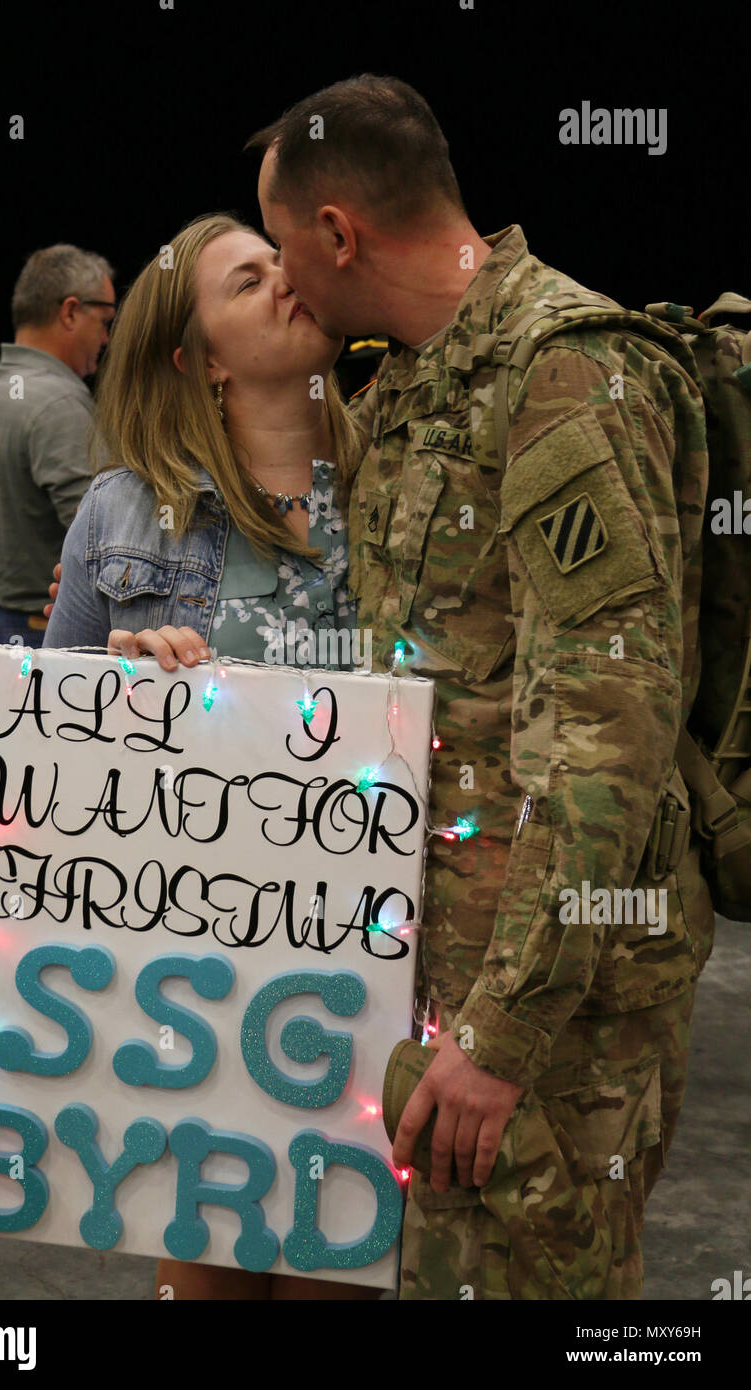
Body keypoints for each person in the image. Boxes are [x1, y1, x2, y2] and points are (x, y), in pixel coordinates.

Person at [245, 74, 715, 1300]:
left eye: (285, 247)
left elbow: (609, 734)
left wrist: (500, 1037)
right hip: (437, 979)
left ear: (339, 233)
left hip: (547, 1019)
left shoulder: (559, 374)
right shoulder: (413, 386)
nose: (283, 281)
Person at [43, 213, 378, 1300]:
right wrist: (117, 682)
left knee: (336, 1262)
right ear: (200, 361)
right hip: (191, 982)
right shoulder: (122, 508)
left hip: (362, 976)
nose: (285, 280)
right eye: (247, 280)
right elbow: (46, 767)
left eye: (280, 260)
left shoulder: (406, 498)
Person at [0, 244, 116, 650]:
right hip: (38, 633)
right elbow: (102, 541)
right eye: (104, 320)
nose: (107, 337)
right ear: (69, 312)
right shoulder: (60, 404)